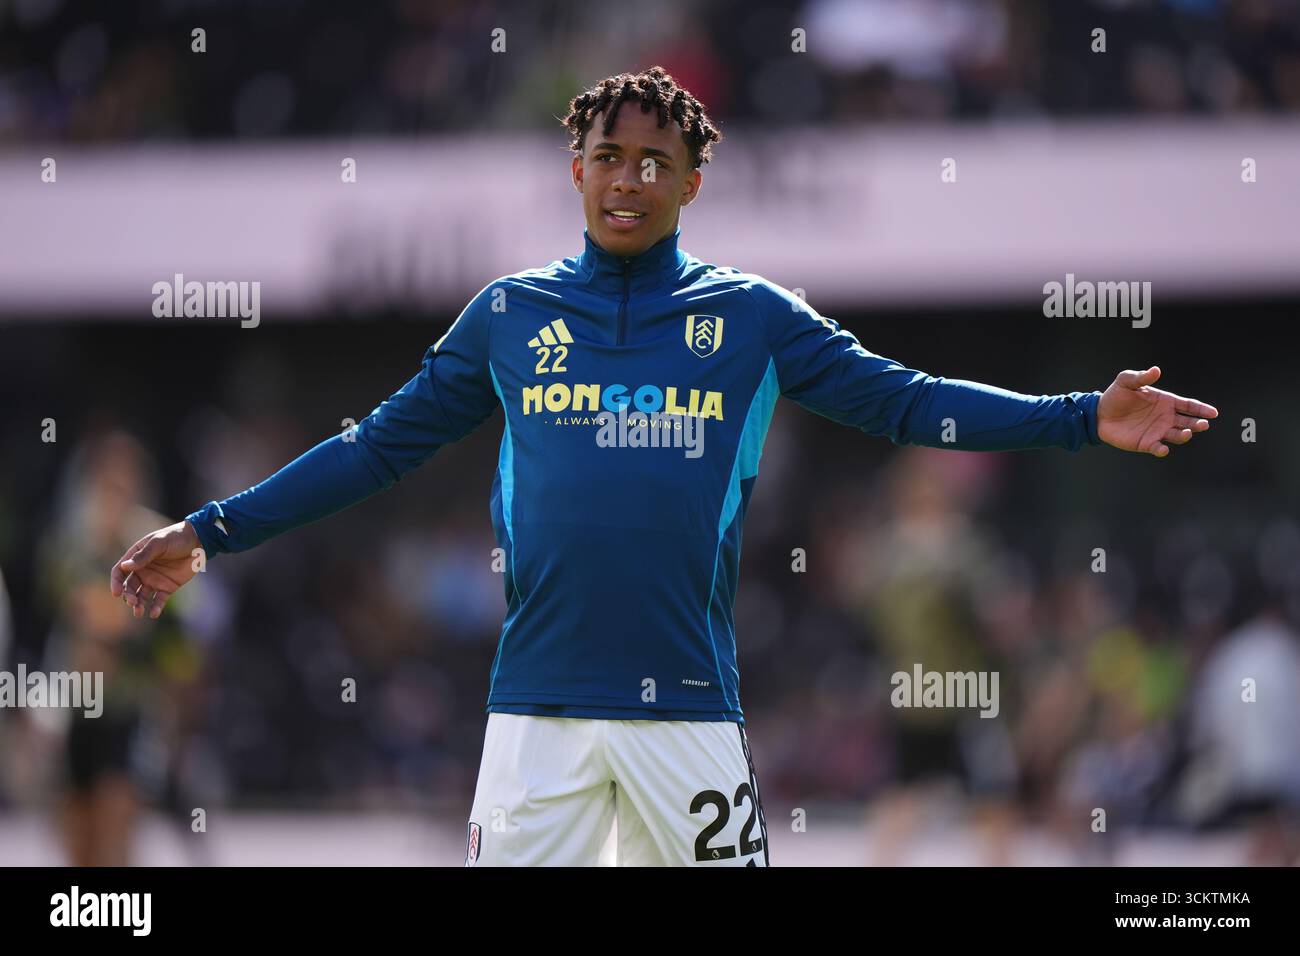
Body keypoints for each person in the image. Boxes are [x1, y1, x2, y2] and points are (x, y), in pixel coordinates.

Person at [110, 66, 1218, 866]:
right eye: (608, 158)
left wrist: (1079, 416)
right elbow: (370, 449)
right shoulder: (508, 315)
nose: (629, 178)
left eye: (656, 160)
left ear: (692, 181)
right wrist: (206, 528)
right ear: (575, 170)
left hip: (687, 709)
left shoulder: (752, 319)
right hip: (535, 714)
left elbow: (907, 401)